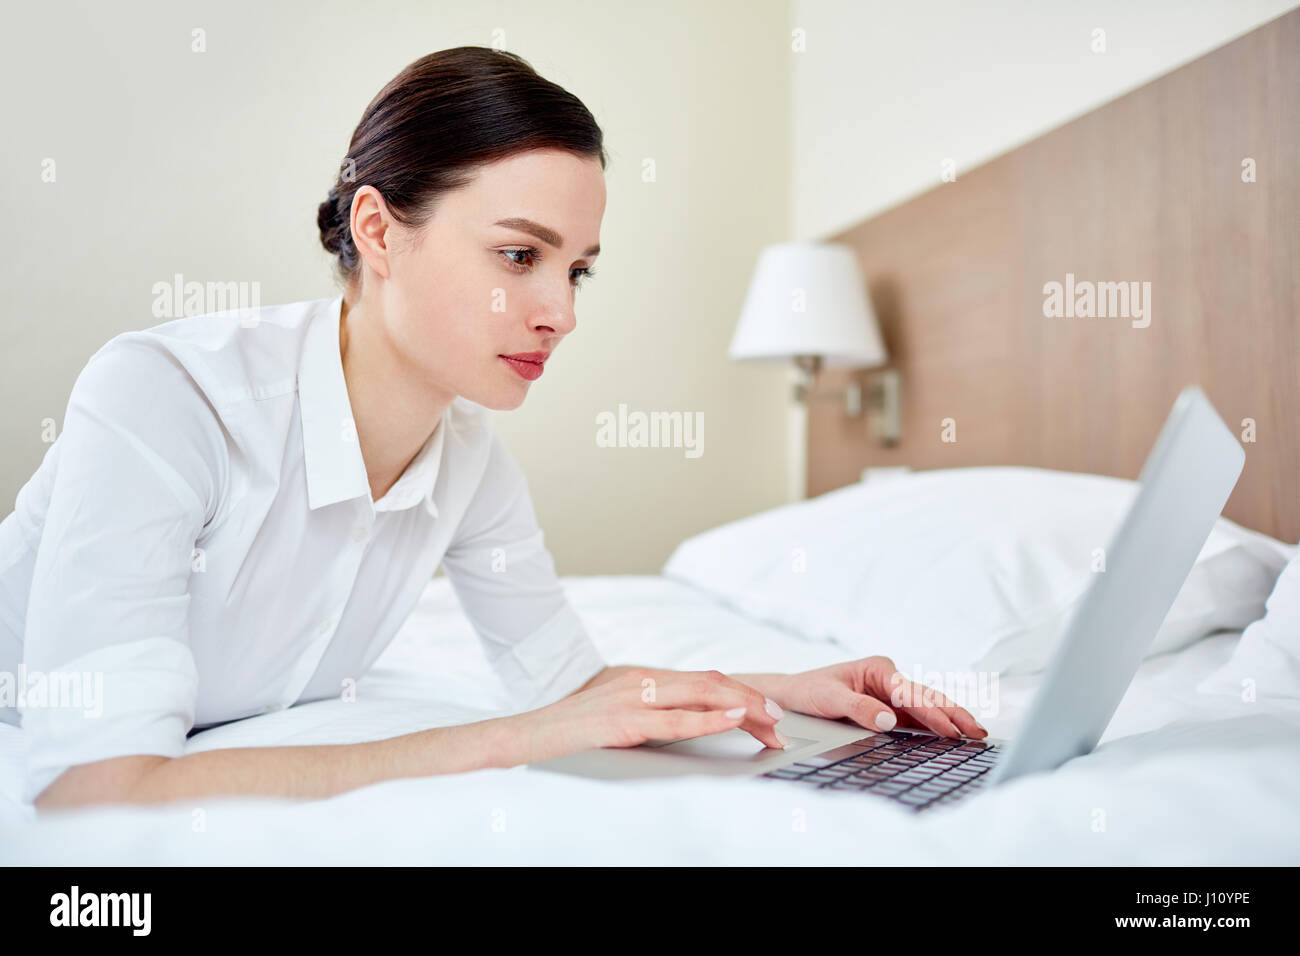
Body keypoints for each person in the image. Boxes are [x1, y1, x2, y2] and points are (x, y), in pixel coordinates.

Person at [0, 46, 985, 812]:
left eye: (578, 268)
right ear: (379, 231)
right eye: (520, 255)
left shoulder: (468, 458)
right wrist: (518, 738)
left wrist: (776, 687)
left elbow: (569, 682)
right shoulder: (165, 396)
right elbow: (93, 788)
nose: (561, 311)